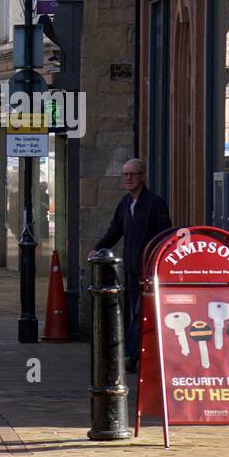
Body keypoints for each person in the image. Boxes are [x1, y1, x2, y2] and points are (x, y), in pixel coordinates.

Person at [90, 158, 173, 372]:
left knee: (140, 314)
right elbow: (115, 230)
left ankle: (127, 355)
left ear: (143, 176)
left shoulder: (155, 203)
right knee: (133, 315)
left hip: (149, 271)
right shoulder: (125, 204)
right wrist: (98, 248)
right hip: (130, 270)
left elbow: (166, 235)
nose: (128, 178)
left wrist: (158, 263)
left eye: (133, 174)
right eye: (125, 174)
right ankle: (139, 356)